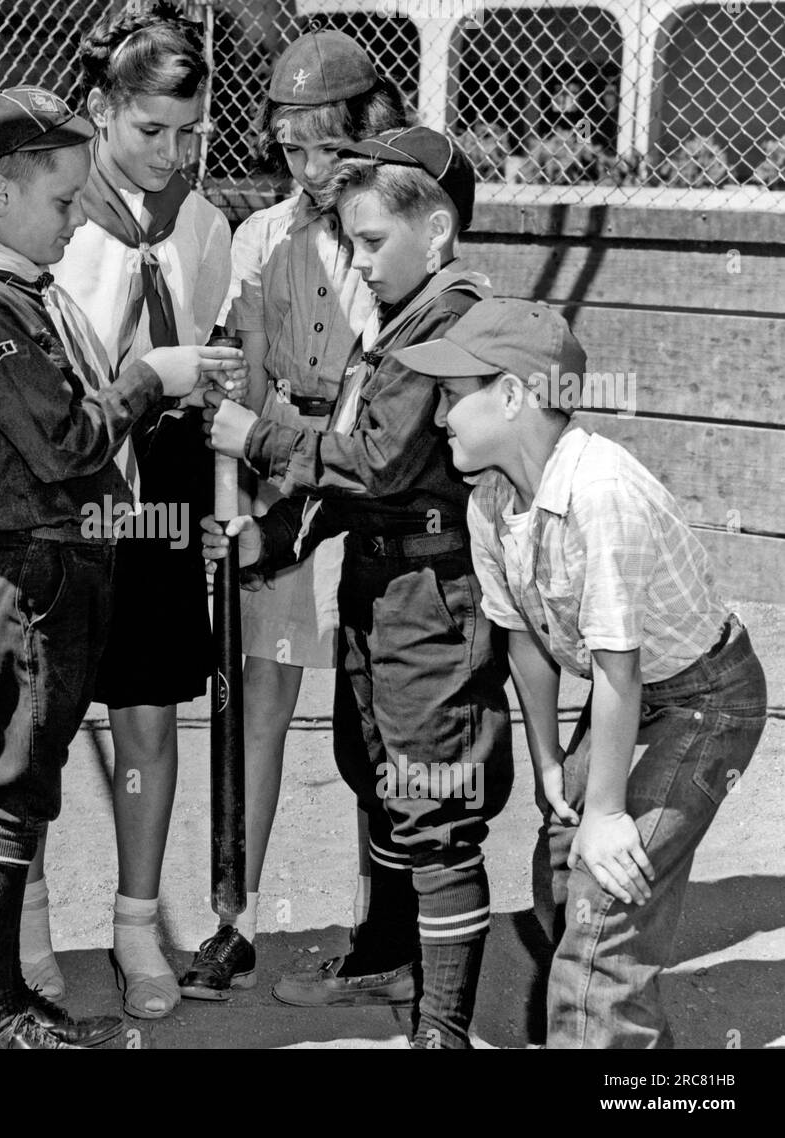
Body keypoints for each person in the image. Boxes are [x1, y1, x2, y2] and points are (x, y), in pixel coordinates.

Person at [0, 84, 243, 1048]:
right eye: (64, 203)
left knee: (27, 787)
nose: (76, 219)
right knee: (13, 791)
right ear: (0, 197)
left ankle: (10, 1005)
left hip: (58, 571)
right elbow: (68, 441)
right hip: (23, 577)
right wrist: (154, 378)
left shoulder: (19, 293)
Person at [202, 126, 513, 1048]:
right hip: (380, 586)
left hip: (429, 594)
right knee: (378, 775)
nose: (360, 261)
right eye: (351, 241)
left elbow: (376, 461)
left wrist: (254, 440)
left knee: (435, 804)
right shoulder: (404, 319)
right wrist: (269, 541)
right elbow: (355, 479)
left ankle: (443, 1030)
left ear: (440, 229)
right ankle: (388, 961)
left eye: (373, 241)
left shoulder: (451, 321)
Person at [401, 297, 768, 1047]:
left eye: (450, 395)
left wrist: (605, 813)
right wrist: (548, 765)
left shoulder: (600, 493)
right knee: (565, 867)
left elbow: (617, 666)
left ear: (511, 395)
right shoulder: (492, 501)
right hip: (635, 693)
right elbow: (527, 642)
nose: (439, 417)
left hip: (707, 702)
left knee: (604, 902)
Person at [178, 29, 409, 1002]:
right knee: (255, 710)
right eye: (291, 149)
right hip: (278, 497)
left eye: (329, 148)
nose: (309, 170)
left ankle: (387, 935)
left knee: (378, 720)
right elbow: (237, 387)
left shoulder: (401, 228)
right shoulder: (260, 238)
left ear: (371, 134)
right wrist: (237, 512)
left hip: (368, 503)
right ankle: (233, 919)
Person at [21, 2, 232, 1020]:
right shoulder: (51, 224)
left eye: (188, 132)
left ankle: (136, 920)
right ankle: (20, 927)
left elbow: (204, 367)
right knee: (39, 727)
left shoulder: (202, 223)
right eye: (150, 130)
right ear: (101, 109)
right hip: (61, 501)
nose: (171, 152)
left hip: (156, 498)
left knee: (147, 714)